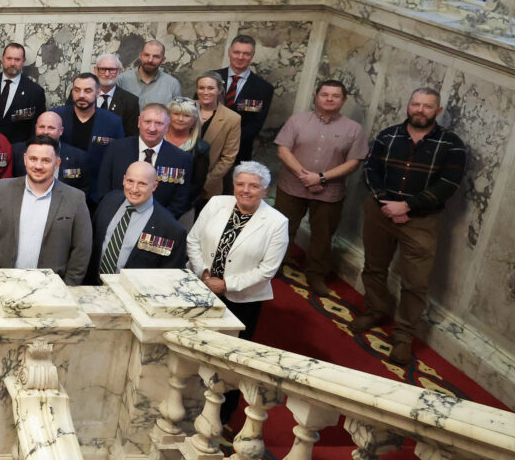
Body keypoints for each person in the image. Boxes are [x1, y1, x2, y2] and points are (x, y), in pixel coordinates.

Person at [361, 88, 467, 364]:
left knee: (415, 282)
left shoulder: (451, 144)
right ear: (408, 105)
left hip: (421, 221)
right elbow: (371, 170)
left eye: (427, 106)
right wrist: (388, 203)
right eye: (416, 104)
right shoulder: (388, 135)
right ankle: (375, 310)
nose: (420, 110)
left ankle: (404, 336)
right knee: (373, 267)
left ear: (438, 111)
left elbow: (448, 185)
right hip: (380, 212)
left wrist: (407, 206)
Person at [273, 79, 370, 294]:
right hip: (292, 186)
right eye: (325, 94)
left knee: (322, 236)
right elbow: (283, 150)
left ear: (343, 100)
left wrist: (321, 178)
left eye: (335, 96)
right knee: (282, 229)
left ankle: (316, 274)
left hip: (329, 192)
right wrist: (304, 175)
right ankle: (274, 265)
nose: (329, 99)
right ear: (316, 96)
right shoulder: (297, 121)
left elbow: (354, 162)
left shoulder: (353, 129)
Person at [188, 162, 291, 339]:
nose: (245, 190)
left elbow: (267, 270)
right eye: (240, 184)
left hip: (242, 300)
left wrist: (225, 285)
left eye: (254, 186)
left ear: (265, 191)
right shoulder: (216, 203)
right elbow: (193, 240)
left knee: (228, 347)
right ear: (234, 185)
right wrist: (204, 274)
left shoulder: (277, 222)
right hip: (200, 285)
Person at [0, 137, 93, 286]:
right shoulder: (3, 188)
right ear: (25, 159)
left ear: (57, 163)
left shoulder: (75, 198)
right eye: (33, 159)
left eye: (46, 160)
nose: (38, 166)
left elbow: (81, 250)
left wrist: (68, 286)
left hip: (53, 288)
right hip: (4, 282)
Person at [91, 104, 194, 219]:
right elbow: (103, 189)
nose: (152, 128)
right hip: (115, 218)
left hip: (156, 226)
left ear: (167, 127)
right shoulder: (116, 149)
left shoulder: (181, 159)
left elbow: (179, 202)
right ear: (139, 122)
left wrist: (154, 222)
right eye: (147, 122)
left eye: (159, 123)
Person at [88, 161, 187, 283]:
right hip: (93, 287)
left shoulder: (171, 229)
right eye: (130, 181)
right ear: (124, 180)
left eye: (142, 184)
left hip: (135, 295)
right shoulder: (109, 200)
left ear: (154, 186)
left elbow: (170, 278)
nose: (134, 189)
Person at [212, 35, 275, 162]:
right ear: (229, 53)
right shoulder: (212, 77)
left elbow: (256, 123)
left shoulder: (263, 88)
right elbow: (197, 110)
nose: (240, 57)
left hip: (239, 151)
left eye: (246, 54)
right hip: (207, 145)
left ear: (252, 56)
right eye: (236, 52)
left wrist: (230, 141)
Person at [0, 43, 46, 143]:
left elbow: (37, 126)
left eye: (17, 60)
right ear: (2, 58)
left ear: (23, 61)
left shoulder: (35, 91)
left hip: (16, 149)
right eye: (9, 58)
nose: (12, 63)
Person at [191, 75, 242, 201]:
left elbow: (228, 158)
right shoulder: (184, 109)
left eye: (211, 88)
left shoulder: (232, 118)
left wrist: (204, 182)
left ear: (219, 90)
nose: (205, 92)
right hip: (178, 180)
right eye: (201, 88)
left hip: (208, 187)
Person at [56, 73, 125, 155]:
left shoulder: (113, 122)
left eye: (87, 91)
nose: (81, 95)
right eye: (77, 90)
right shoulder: (57, 116)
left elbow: (119, 154)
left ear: (98, 93)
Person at [35, 110, 90, 192]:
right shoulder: (18, 152)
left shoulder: (79, 158)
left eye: (51, 128)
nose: (45, 132)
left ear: (61, 131)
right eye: (42, 127)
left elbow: (83, 191)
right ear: (36, 128)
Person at [126, 39, 182, 108]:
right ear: (140, 56)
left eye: (156, 57)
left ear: (163, 60)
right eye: (146, 55)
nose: (150, 60)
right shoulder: (122, 80)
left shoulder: (173, 85)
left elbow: (176, 114)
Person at [92, 53, 139, 123]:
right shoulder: (79, 94)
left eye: (112, 70)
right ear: (95, 70)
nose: (107, 74)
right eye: (102, 69)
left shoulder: (131, 102)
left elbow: (132, 133)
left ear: (119, 71)